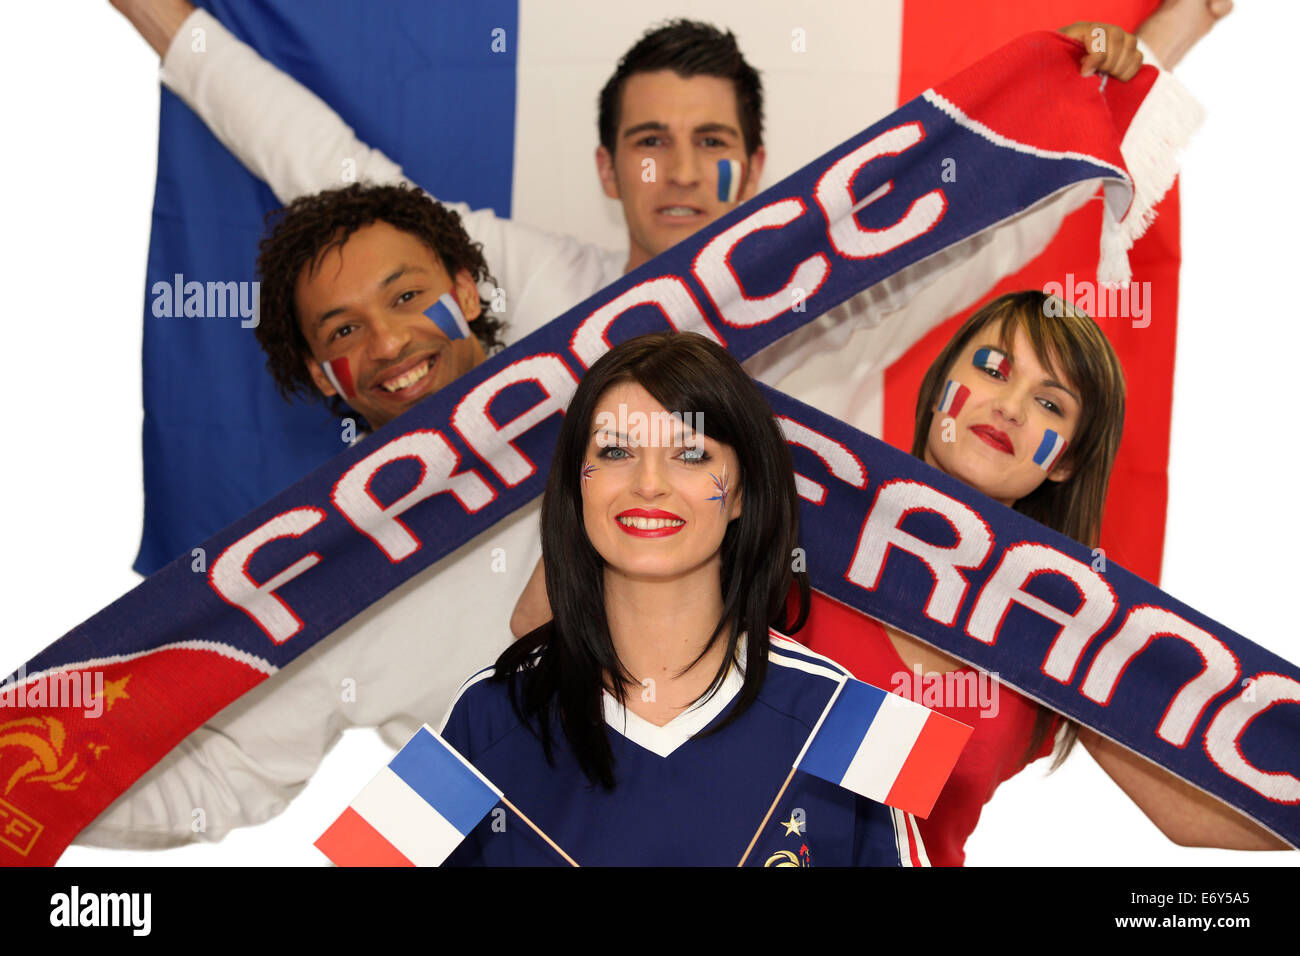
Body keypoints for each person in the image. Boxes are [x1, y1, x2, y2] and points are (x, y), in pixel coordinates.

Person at [791, 291, 1287, 864]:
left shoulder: (1061, 634)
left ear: (1065, 462)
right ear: (940, 382)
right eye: (993, 370)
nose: (1010, 407)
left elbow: (1204, 814)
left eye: (1050, 403)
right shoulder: (802, 510)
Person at [439, 331, 927, 865]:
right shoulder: (480, 710)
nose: (649, 484)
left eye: (691, 454)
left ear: (742, 492)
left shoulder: (865, 723)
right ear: (577, 485)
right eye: (616, 451)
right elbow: (373, 851)